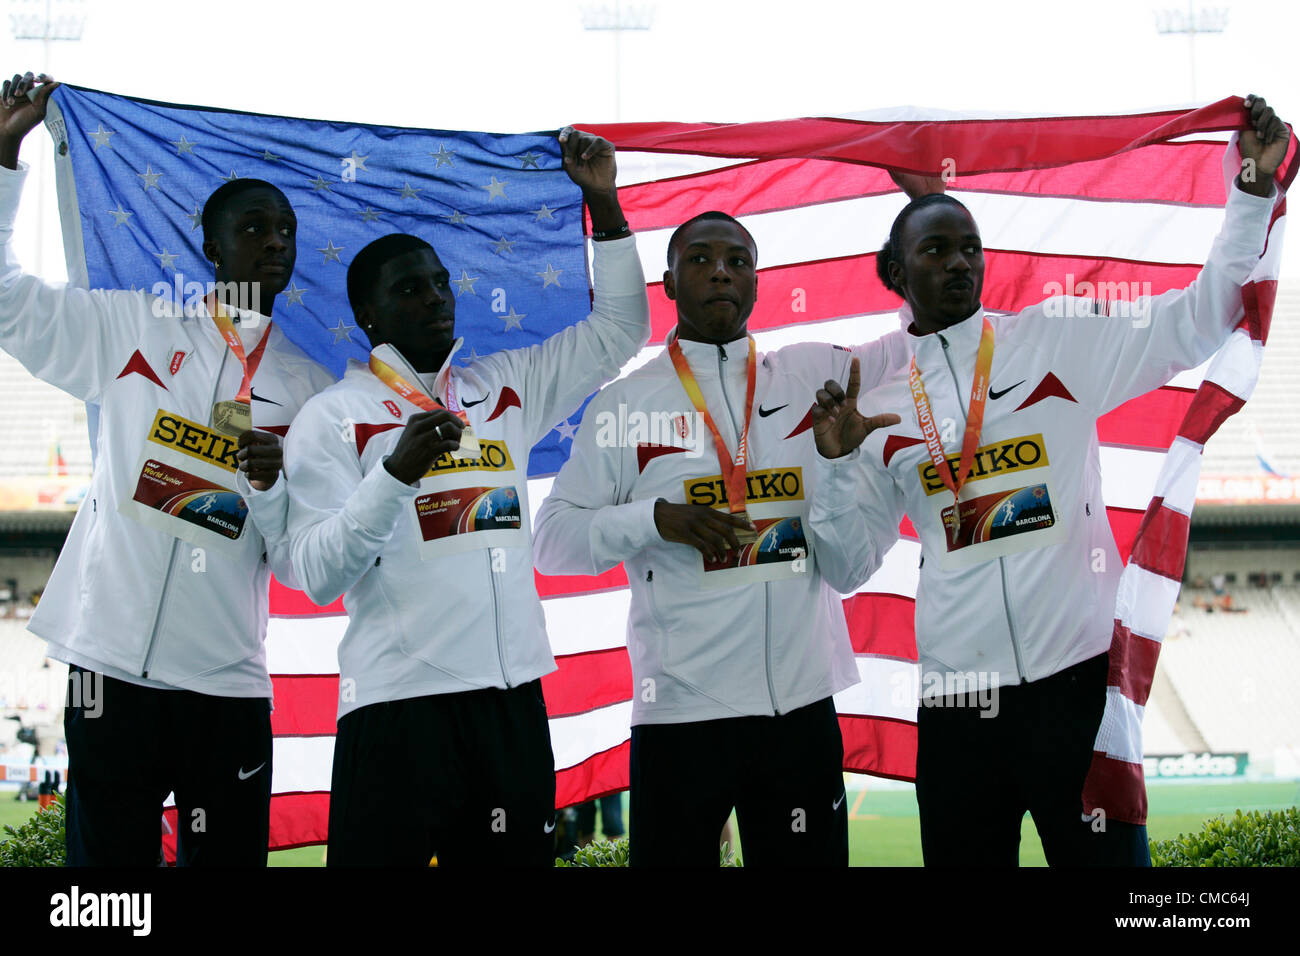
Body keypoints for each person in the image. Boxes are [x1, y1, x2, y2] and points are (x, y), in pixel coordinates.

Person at [805, 95, 1288, 866]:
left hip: (1077, 685)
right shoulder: (878, 401)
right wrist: (833, 466)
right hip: (959, 699)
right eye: (936, 249)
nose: (959, 261)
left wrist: (1250, 193)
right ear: (896, 272)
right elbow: (845, 564)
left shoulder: (1052, 344)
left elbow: (1196, 321)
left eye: (970, 247)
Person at [282, 127, 650, 867]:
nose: (436, 298)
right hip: (395, 709)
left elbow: (620, 331)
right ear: (371, 317)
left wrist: (603, 204)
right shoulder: (333, 417)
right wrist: (393, 475)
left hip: (509, 701)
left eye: (441, 282)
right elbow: (316, 573)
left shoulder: (499, 389)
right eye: (410, 289)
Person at [0, 72, 334, 865]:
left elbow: (301, 560)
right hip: (106, 672)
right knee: (105, 894)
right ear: (212, 245)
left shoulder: (311, 391)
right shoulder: (135, 329)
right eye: (255, 228)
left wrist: (275, 484)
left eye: (286, 231)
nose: (275, 242)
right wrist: (5, 157)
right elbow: (7, 303)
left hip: (227, 686)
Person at [532, 210, 904, 867]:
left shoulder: (815, 376)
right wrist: (655, 519)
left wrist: (843, 467)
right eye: (700, 260)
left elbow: (923, 343)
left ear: (758, 282)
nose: (721, 272)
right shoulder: (626, 405)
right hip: (680, 717)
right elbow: (553, 541)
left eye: (737, 260)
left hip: (799, 711)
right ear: (668, 284)